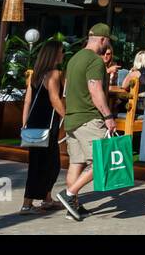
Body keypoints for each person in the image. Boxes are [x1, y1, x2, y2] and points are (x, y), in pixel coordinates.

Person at [54, 23, 120, 221]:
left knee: (77, 162)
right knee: (102, 161)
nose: (107, 46)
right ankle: (69, 194)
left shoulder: (74, 59)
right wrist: (108, 116)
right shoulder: (95, 61)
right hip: (89, 118)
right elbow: (95, 90)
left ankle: (71, 207)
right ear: (102, 39)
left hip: (72, 119)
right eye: (107, 41)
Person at [19, 40, 67, 215]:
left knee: (43, 163)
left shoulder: (36, 74)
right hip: (47, 124)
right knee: (47, 165)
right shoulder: (54, 74)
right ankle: (27, 203)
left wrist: (25, 123)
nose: (63, 54)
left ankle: (46, 199)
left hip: (34, 124)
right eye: (61, 51)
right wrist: (68, 117)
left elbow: (28, 100)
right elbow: (55, 99)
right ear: (54, 54)